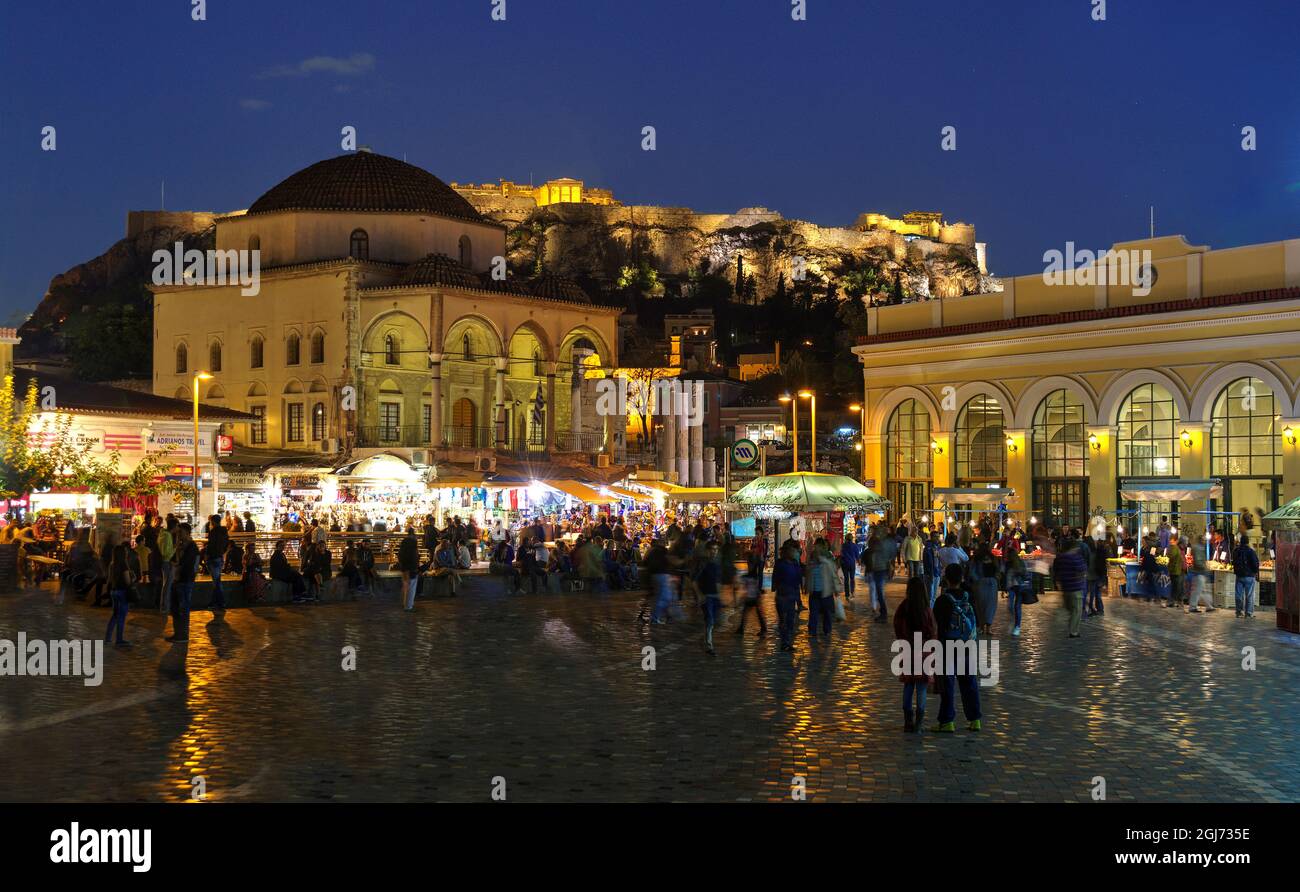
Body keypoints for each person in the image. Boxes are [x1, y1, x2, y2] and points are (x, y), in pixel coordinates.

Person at [932, 564, 981, 732]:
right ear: (961, 578)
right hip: (967, 645)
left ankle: (947, 722)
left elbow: (937, 625)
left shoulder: (942, 600)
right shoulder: (969, 597)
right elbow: (977, 620)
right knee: (969, 683)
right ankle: (975, 720)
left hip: (947, 647)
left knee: (948, 685)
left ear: (946, 579)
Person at [894, 577, 938, 732]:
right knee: (921, 688)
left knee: (908, 684)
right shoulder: (926, 609)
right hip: (924, 651)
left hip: (908, 649)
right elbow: (933, 631)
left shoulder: (903, 607)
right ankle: (919, 723)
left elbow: (898, 627)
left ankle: (908, 720)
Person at [167, 524, 201, 643]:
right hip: (178, 580)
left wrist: (177, 565)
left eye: (180, 532)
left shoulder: (191, 547)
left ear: (187, 533)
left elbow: (186, 564)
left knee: (183, 608)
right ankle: (178, 633)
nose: (179, 535)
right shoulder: (181, 546)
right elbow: (172, 560)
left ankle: (183, 634)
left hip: (185, 580)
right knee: (176, 608)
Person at [1054, 534, 1087, 638]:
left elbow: (1056, 571)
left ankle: (1070, 625)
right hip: (1075, 587)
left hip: (1065, 587)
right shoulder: (1075, 558)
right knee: (1077, 610)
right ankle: (1074, 631)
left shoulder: (1060, 558)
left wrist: (1058, 582)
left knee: (1070, 608)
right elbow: (1082, 569)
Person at [805, 539, 839, 641]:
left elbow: (834, 576)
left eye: (818, 547)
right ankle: (812, 631)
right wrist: (807, 586)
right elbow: (808, 575)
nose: (817, 550)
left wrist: (836, 589)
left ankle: (827, 630)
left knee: (827, 613)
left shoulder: (828, 562)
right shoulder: (811, 562)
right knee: (814, 612)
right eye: (816, 548)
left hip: (826, 592)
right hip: (815, 591)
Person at [772, 543, 803, 652]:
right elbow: (775, 576)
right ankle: (785, 642)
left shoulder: (795, 563)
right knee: (783, 620)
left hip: (791, 595)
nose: (795, 553)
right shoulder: (780, 563)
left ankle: (787, 641)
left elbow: (799, 578)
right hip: (782, 595)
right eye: (793, 551)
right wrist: (774, 586)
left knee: (790, 620)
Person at [104, 543, 135, 648]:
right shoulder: (124, 565)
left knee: (115, 615)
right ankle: (119, 639)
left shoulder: (112, 565)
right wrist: (133, 579)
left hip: (114, 591)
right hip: (122, 592)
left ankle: (108, 637)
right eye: (125, 552)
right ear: (123, 554)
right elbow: (127, 581)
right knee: (121, 616)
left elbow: (109, 580)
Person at [697, 540, 722, 654]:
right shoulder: (703, 564)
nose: (714, 552)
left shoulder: (716, 564)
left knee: (712, 621)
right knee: (710, 620)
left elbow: (717, 580)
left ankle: (706, 641)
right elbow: (693, 580)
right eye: (712, 549)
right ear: (707, 551)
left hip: (715, 596)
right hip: (707, 596)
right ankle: (709, 645)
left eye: (716, 549)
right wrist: (700, 595)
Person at [968, 542, 999, 636]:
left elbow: (972, 572)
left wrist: (977, 580)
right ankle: (987, 627)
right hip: (990, 583)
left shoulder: (977, 559)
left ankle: (982, 627)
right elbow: (998, 570)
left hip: (982, 583)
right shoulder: (992, 558)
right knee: (990, 605)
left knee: (981, 605)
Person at [735, 551, 767, 637]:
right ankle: (762, 628)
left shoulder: (752, 572)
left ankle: (742, 628)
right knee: (753, 612)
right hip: (753, 595)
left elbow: (752, 580)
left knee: (749, 612)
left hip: (752, 596)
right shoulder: (754, 571)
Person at [865, 532, 895, 623]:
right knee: (879, 593)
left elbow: (887, 560)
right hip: (878, 572)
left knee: (880, 594)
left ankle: (883, 614)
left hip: (880, 572)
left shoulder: (880, 549)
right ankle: (883, 612)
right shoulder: (876, 550)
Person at [270, 539, 309, 603]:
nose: (283, 547)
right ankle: (298, 595)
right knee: (296, 577)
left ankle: (300, 594)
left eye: (283, 545)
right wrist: (288, 567)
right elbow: (280, 566)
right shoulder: (276, 555)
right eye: (281, 546)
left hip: (281, 572)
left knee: (297, 575)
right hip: (278, 574)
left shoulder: (281, 554)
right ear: (277, 546)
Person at [205, 515, 229, 612]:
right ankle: (215, 602)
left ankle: (220, 603)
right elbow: (226, 544)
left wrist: (207, 555)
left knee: (217, 582)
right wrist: (222, 552)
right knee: (216, 581)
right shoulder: (224, 532)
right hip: (219, 557)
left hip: (213, 558)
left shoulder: (213, 532)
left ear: (213, 522)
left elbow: (211, 545)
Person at [1231, 533, 1259, 618]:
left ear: (1240, 541)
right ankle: (1248, 613)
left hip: (1239, 576)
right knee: (1249, 595)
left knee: (1238, 594)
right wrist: (1255, 572)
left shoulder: (1236, 550)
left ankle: (1238, 612)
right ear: (1248, 542)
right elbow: (1255, 564)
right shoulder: (1251, 551)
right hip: (1249, 576)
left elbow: (1233, 562)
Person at [1004, 547, 1029, 636]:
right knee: (1011, 606)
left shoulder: (1019, 563)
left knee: (1017, 606)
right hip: (1011, 586)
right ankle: (1015, 622)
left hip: (1019, 586)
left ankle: (1017, 626)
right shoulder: (1008, 564)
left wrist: (1018, 572)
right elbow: (1005, 575)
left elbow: (1025, 573)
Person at [398, 530, 423, 611]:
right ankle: (408, 606)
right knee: (411, 587)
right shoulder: (413, 542)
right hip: (411, 568)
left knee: (405, 585)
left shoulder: (403, 542)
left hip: (404, 567)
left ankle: (404, 603)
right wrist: (416, 566)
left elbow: (400, 555)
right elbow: (414, 556)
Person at [1165, 534, 1185, 608]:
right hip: (1176, 570)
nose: (1171, 543)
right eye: (1171, 541)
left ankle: (1172, 602)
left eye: (1172, 541)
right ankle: (1174, 602)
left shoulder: (1173, 548)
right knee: (1177, 587)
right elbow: (1172, 557)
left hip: (1175, 570)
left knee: (1176, 587)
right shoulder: (1174, 548)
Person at [839, 536, 861, 602]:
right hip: (851, 564)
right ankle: (852, 592)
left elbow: (841, 554)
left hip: (844, 564)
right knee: (852, 578)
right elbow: (857, 555)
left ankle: (847, 595)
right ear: (852, 539)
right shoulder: (854, 546)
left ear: (846, 539)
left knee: (846, 579)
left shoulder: (843, 546)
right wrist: (858, 561)